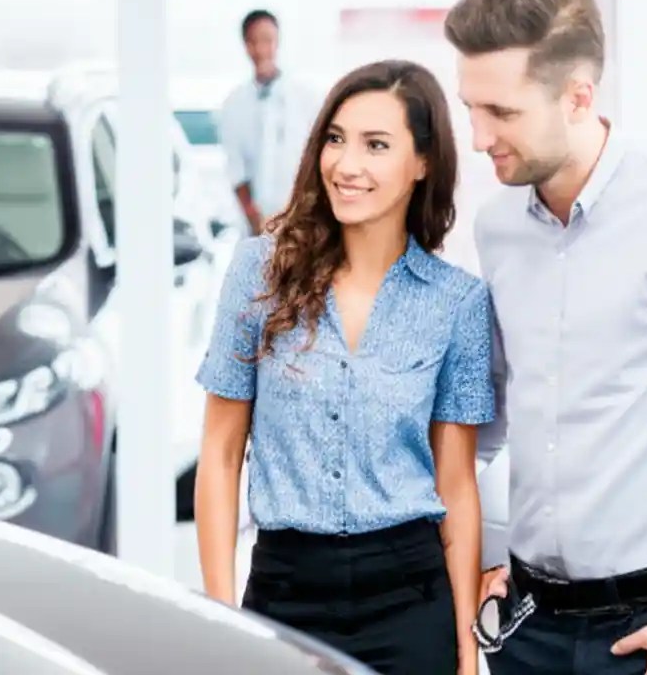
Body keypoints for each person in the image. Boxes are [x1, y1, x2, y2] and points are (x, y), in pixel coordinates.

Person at [445, 0, 647, 675]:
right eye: (471, 108)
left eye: (500, 112)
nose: (477, 137)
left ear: (578, 97)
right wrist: (479, 556)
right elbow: (493, 421)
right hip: (527, 628)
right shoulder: (498, 229)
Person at [194, 59, 494, 675]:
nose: (346, 164)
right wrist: (217, 622)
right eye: (335, 139)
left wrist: (466, 651)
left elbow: (457, 484)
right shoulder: (258, 272)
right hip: (284, 594)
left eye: (376, 145)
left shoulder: (456, 302)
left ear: (423, 163)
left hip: (410, 601)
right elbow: (221, 455)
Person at [218, 9, 324, 235]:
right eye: (253, 41)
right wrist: (256, 221)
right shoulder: (233, 105)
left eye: (267, 40)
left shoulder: (306, 97)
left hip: (302, 217)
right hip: (258, 224)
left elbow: (318, 156)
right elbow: (236, 171)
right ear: (245, 45)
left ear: (278, 41)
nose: (261, 49)